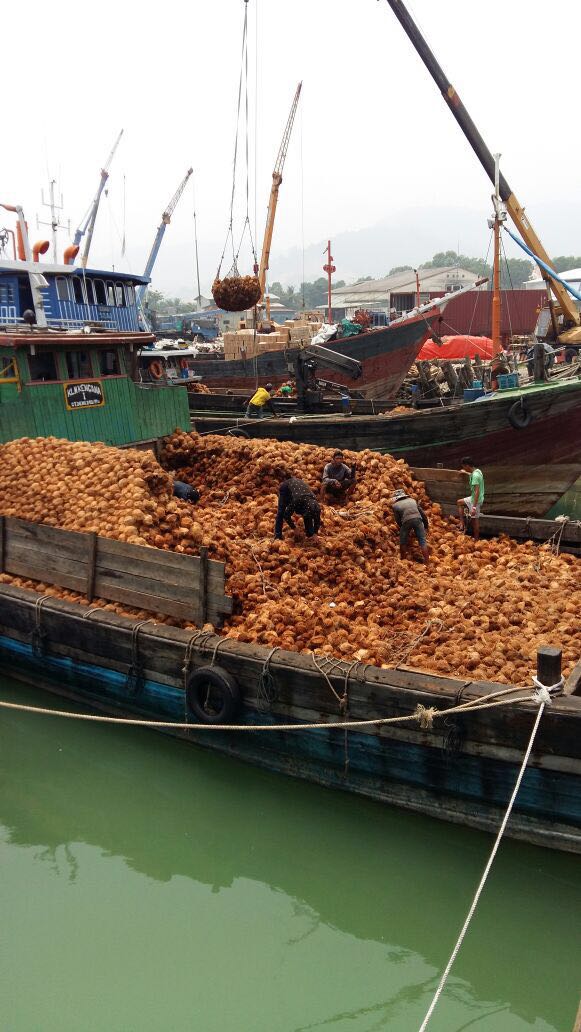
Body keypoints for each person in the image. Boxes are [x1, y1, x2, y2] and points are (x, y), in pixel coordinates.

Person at [274, 474, 321, 541]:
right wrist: (294, 528)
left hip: (300, 489)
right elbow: (286, 515)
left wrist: (315, 534)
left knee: (308, 515)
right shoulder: (297, 501)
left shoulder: (316, 507)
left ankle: (310, 534)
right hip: (286, 488)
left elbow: (317, 520)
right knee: (281, 511)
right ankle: (277, 536)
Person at [391, 488, 430, 566]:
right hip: (418, 519)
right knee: (422, 541)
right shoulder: (413, 500)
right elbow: (422, 513)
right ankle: (427, 562)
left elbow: (397, 519)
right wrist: (426, 525)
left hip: (406, 521)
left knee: (403, 541)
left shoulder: (395, 505)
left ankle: (403, 560)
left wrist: (402, 528)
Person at [456, 457, 484, 541]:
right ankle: (462, 523)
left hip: (476, 500)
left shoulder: (475, 476)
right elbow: (472, 475)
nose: (464, 468)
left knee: (474, 521)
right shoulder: (477, 471)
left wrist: (474, 507)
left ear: (467, 465)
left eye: (464, 467)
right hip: (473, 498)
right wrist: (465, 472)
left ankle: (476, 540)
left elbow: (477, 491)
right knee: (459, 502)